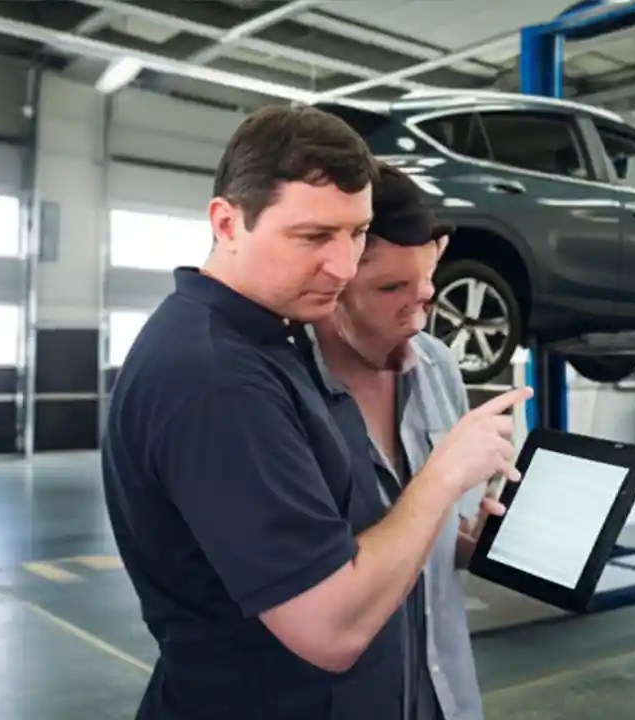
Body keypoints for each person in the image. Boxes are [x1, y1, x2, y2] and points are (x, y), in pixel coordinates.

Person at [100, 104, 530, 719]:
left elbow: (349, 538)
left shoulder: (274, 342)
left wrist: (452, 541)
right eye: (313, 237)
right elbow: (332, 629)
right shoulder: (217, 377)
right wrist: (443, 477)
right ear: (227, 223)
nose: (343, 266)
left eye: (355, 233)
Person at [306, 164, 500, 720]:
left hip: (444, 699)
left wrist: (469, 542)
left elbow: (431, 534)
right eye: (390, 288)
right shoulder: (286, 393)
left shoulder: (439, 368)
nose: (416, 313)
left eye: (426, 289)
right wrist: (441, 480)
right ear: (335, 279)